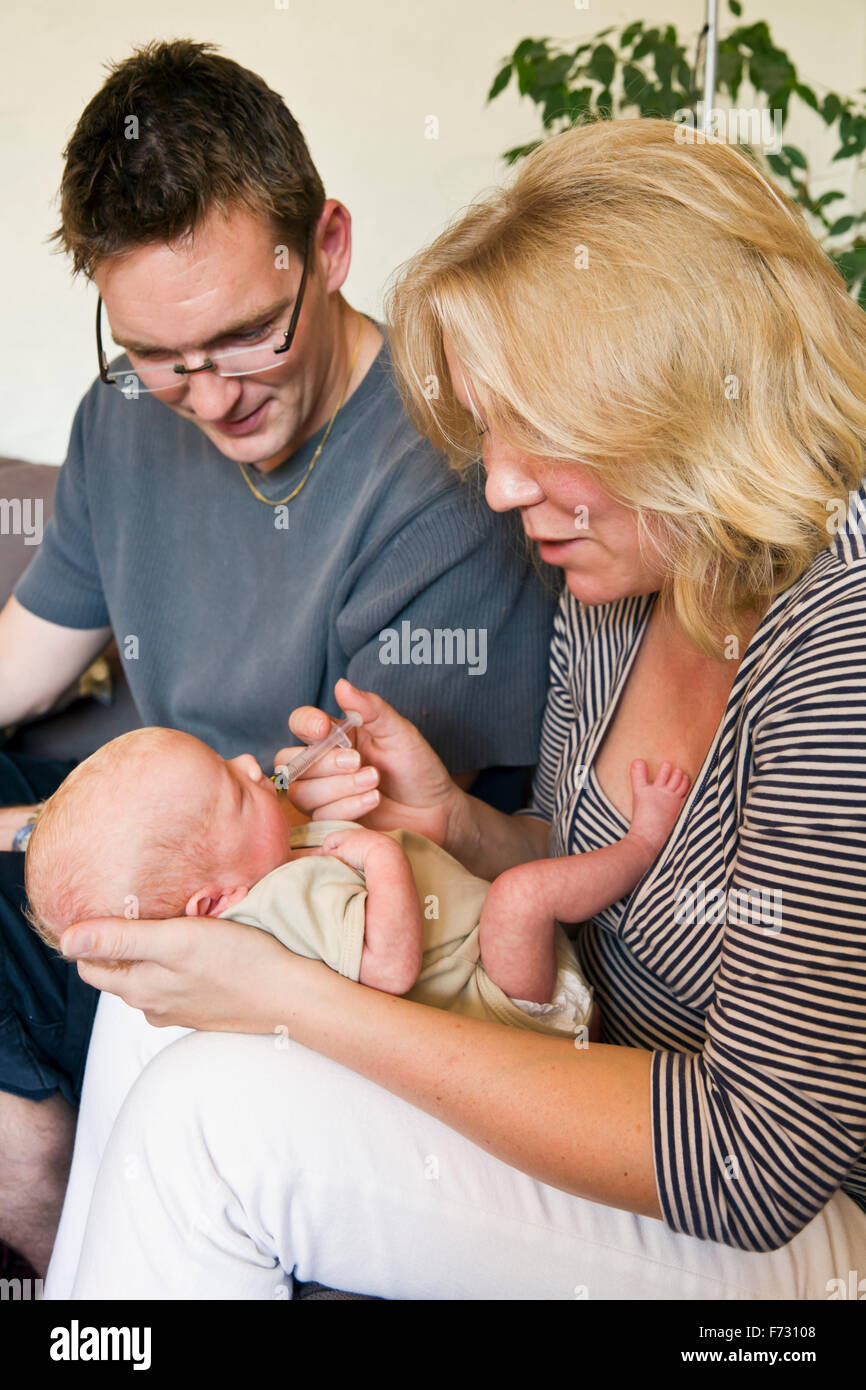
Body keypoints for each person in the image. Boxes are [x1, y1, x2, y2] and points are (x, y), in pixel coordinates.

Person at [49, 117, 866, 1300]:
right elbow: (594, 873)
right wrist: (455, 825)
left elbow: (751, 1161)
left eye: (534, 430)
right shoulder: (624, 569)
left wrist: (295, 999)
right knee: (151, 1008)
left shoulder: (835, 649)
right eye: (488, 431)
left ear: (678, 393)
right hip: (590, 1053)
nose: (495, 484)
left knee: (209, 1120)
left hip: (790, 1222)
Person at [0, 39, 558, 1276]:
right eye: (158, 353)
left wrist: (36, 837)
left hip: (297, 858)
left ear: (331, 247)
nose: (205, 397)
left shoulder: (442, 469)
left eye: (246, 335)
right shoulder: (120, 419)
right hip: (150, 815)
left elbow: (327, 819)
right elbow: (26, 661)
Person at [24, 725, 690, 1031]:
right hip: (501, 1004)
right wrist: (383, 858)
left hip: (487, 977)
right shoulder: (281, 900)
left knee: (516, 896)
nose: (252, 767)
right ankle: (643, 844)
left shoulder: (266, 878)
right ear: (214, 903)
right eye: (233, 791)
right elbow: (389, 970)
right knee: (523, 896)